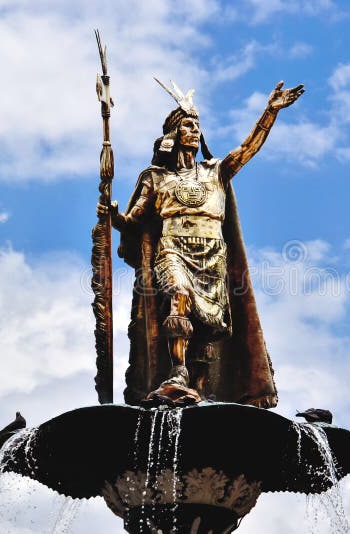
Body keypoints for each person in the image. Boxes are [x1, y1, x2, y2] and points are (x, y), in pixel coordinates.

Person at [100, 79, 304, 407]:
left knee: (208, 326)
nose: (194, 131)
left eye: (197, 126)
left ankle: (197, 387)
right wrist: (112, 213)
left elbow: (247, 149)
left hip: (212, 254)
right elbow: (133, 221)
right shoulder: (156, 178)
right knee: (178, 296)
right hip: (172, 250)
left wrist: (270, 112)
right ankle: (177, 373)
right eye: (187, 125)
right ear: (173, 134)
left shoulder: (215, 171)